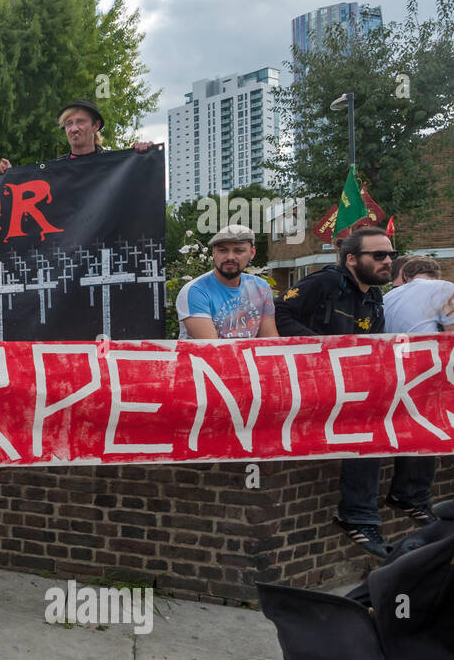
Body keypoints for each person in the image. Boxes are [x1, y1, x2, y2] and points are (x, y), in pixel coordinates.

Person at [275, 224, 396, 555]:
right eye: (380, 255)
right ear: (353, 259)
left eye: (391, 254)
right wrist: (320, 348)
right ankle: (356, 516)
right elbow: (281, 311)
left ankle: (410, 498)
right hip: (310, 380)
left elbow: (373, 344)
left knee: (404, 415)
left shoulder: (373, 295)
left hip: (346, 383)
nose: (388, 261)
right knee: (367, 426)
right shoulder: (325, 281)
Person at [368, 255, 454, 527]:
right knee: (430, 431)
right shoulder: (445, 289)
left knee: (412, 430)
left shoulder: (388, 297)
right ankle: (412, 496)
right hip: (425, 371)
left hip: (391, 373)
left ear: (404, 276)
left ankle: (406, 494)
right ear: (436, 275)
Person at [0, 99, 154, 172]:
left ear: (95, 126)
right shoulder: (54, 169)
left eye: (80, 122)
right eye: (68, 124)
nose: (74, 128)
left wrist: (143, 157)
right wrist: (9, 175)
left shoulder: (116, 165)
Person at [175, 225, 278, 339]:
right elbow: (211, 348)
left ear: (252, 253)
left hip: (248, 356)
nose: (230, 257)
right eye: (222, 250)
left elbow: (269, 340)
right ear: (214, 253)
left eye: (239, 250)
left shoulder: (261, 288)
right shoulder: (195, 291)